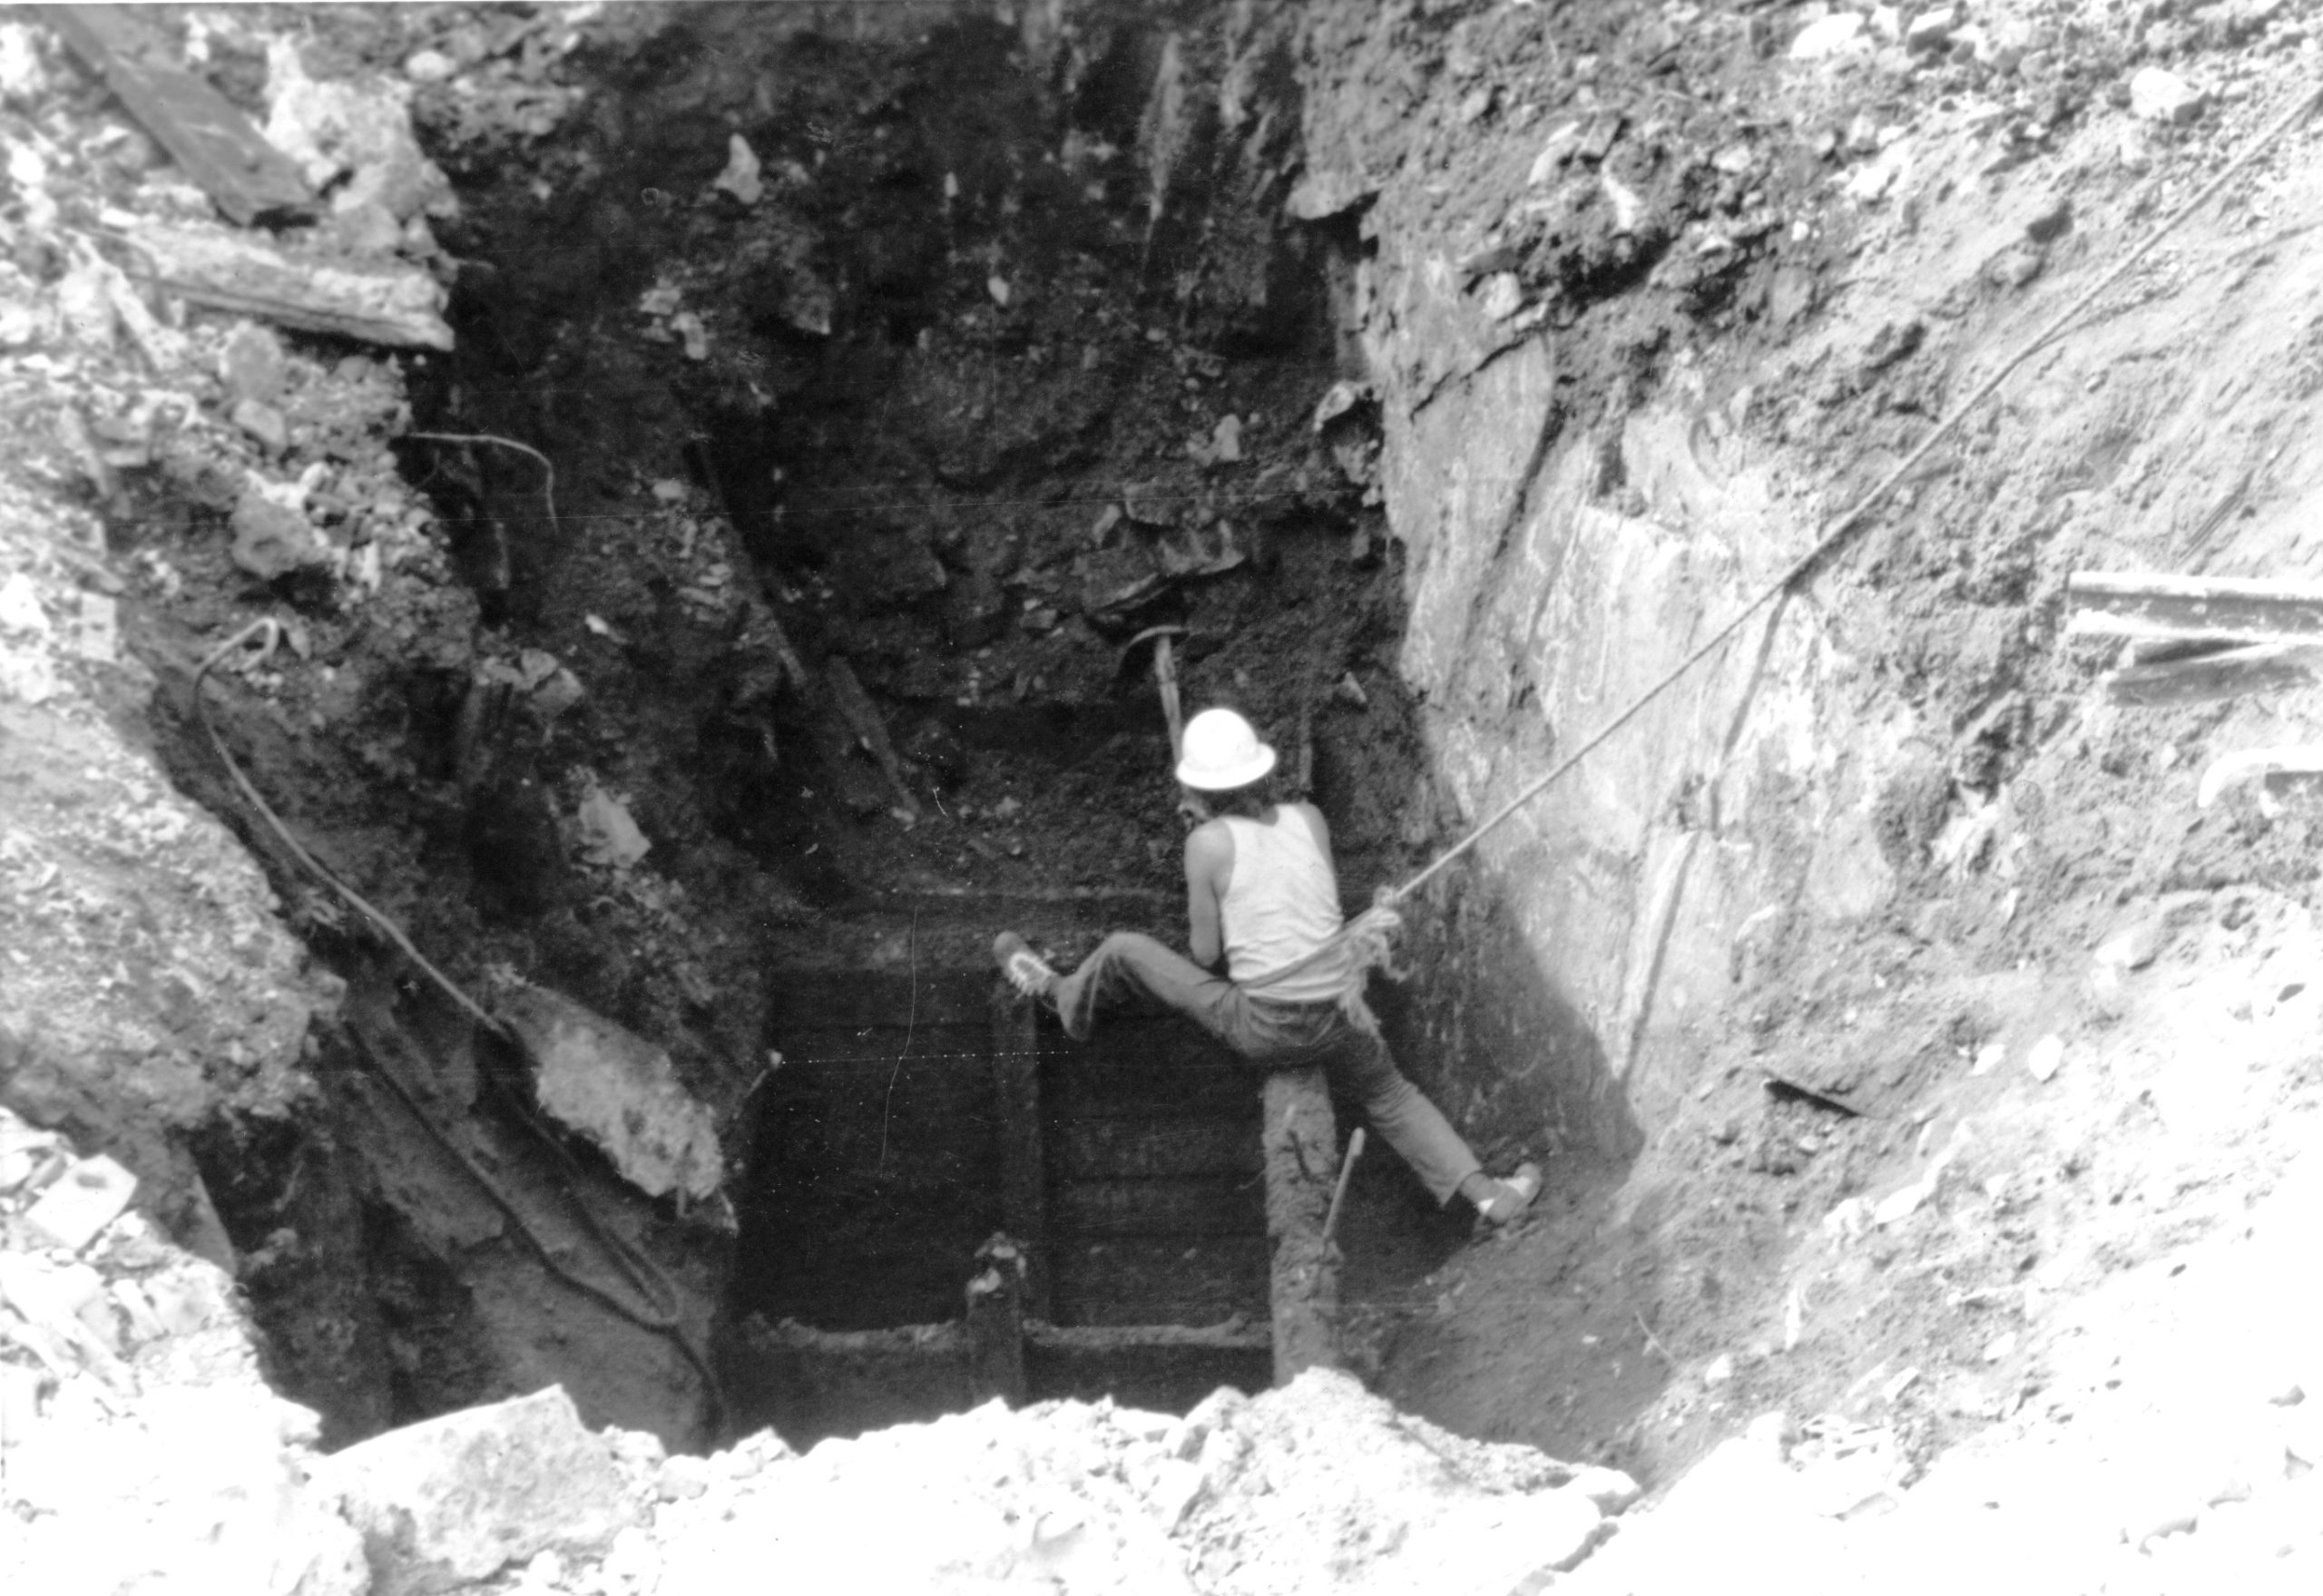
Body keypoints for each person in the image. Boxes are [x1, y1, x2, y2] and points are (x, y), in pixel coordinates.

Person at [993, 707, 1540, 1226]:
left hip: (1265, 1027)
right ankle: (1489, 1198)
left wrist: (1206, 847)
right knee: (1391, 1093)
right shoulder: (1310, 818)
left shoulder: (1205, 844)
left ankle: (1066, 1000)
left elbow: (1208, 955)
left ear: (1197, 793)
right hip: (1339, 1015)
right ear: (1259, 773)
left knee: (1123, 948)